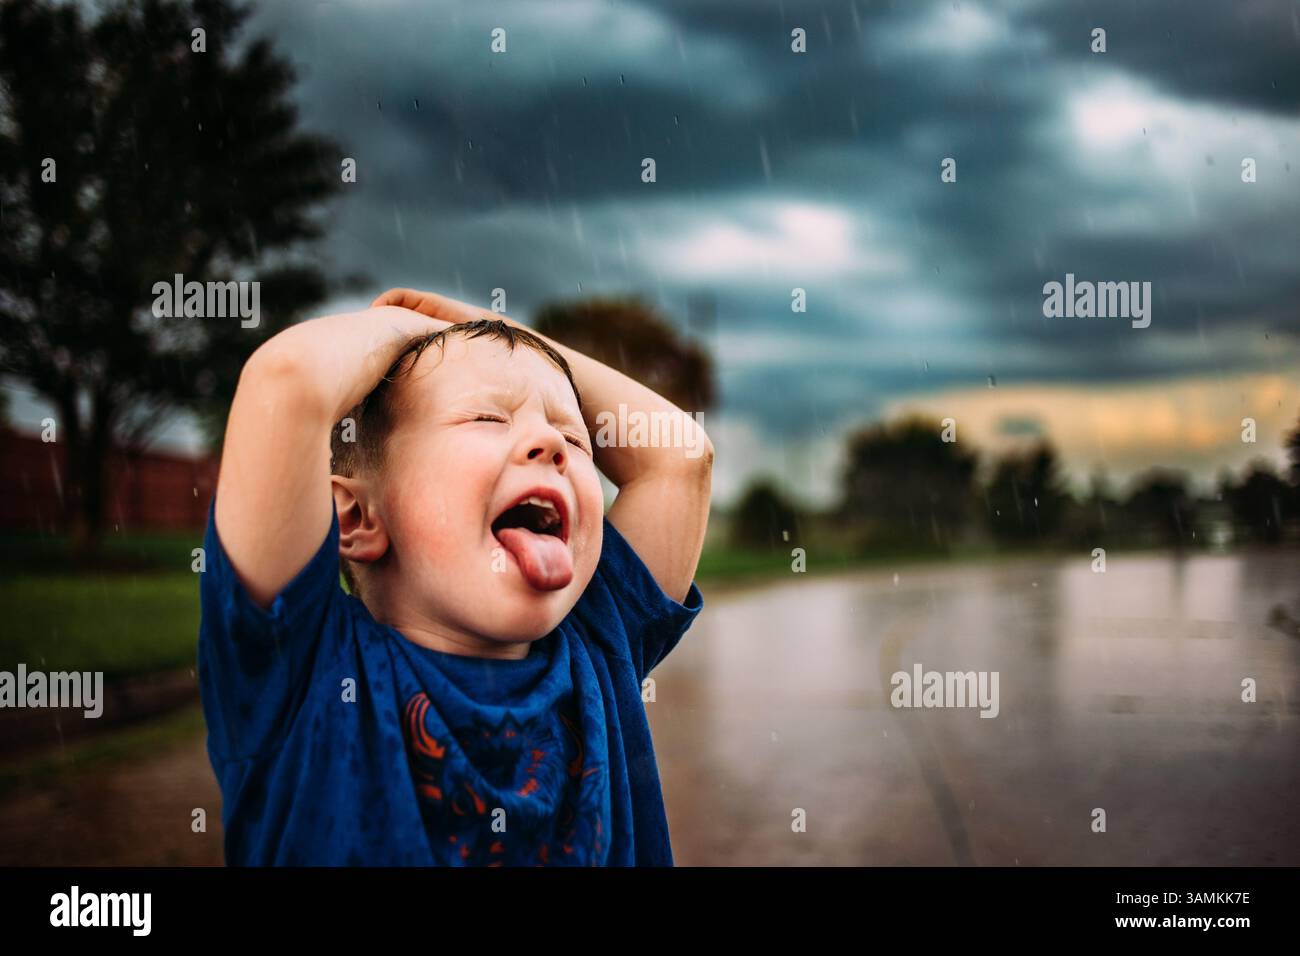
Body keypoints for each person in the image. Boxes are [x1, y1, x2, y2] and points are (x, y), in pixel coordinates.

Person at [198, 288, 712, 865]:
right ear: (356, 517)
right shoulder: (303, 670)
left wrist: (489, 332)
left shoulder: (598, 643)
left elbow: (680, 456)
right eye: (488, 418)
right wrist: (406, 329)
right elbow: (286, 383)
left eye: (574, 437)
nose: (550, 444)